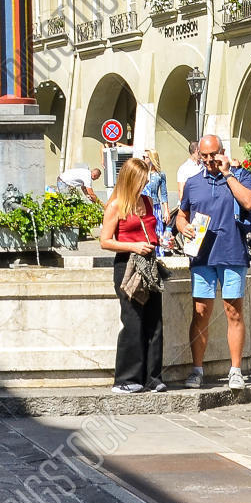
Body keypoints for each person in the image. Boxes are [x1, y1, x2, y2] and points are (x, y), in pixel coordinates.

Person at [174, 134, 251, 391]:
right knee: (201, 312)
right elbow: (181, 215)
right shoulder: (192, 183)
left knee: (234, 311)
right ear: (199, 155)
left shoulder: (240, 176)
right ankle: (197, 369)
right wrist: (184, 227)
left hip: (232, 253)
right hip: (202, 255)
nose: (210, 160)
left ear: (222, 152)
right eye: (205, 155)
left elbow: (249, 202)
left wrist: (228, 174)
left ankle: (235, 370)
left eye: (214, 154)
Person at [99, 156, 169, 393]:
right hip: (128, 265)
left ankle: (153, 377)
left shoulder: (147, 201)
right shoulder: (117, 205)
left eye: (147, 180)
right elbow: (105, 241)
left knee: (154, 320)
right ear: (130, 179)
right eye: (141, 180)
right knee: (133, 321)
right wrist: (133, 246)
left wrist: (158, 241)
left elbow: (151, 230)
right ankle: (127, 379)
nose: (145, 184)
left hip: (149, 264)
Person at [142, 149, 168, 225]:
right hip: (142, 207)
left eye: (145, 157)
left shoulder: (159, 175)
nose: (143, 159)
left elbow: (164, 194)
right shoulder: (140, 173)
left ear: (152, 159)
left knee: (157, 231)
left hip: (155, 206)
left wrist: (166, 210)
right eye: (143, 157)